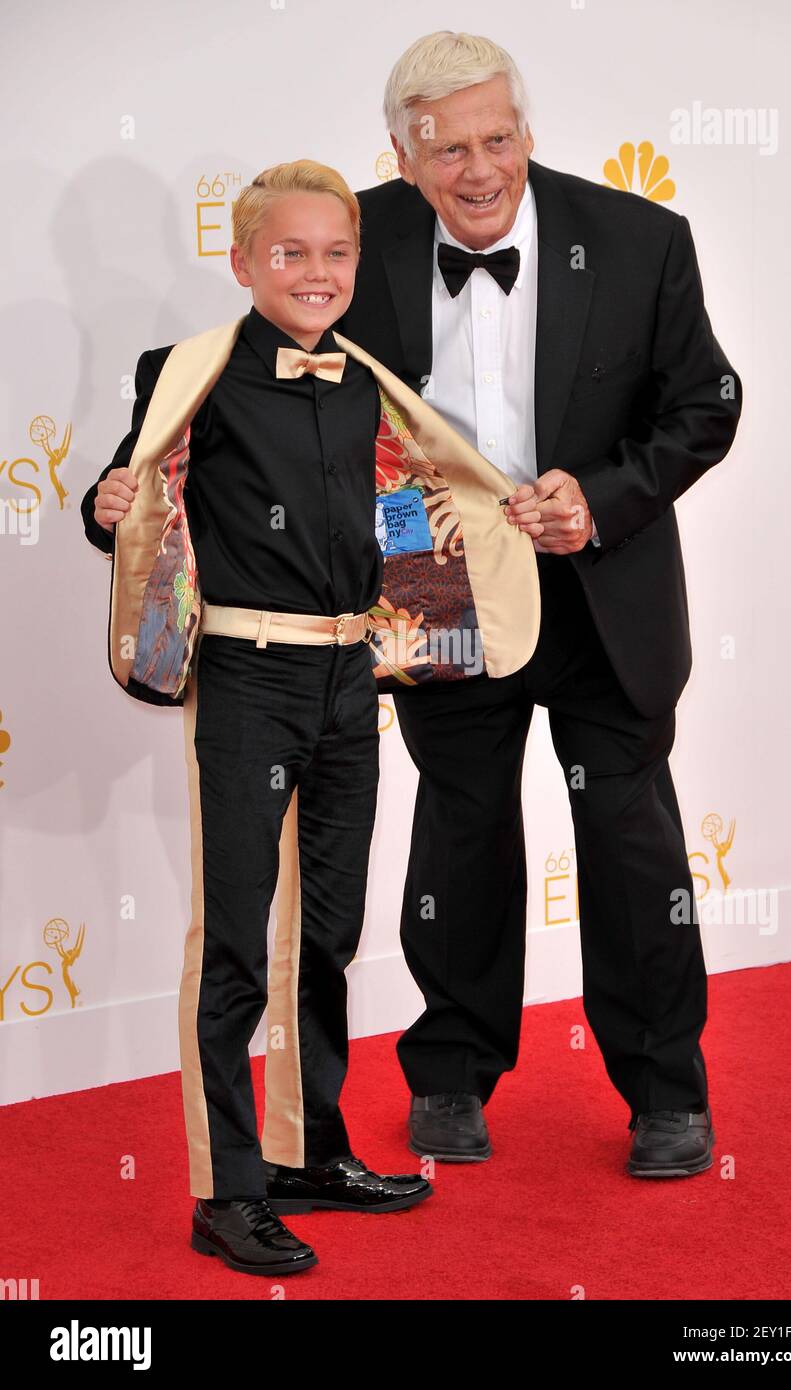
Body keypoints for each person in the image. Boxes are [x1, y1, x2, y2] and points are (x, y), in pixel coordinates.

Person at [337, 31, 743, 1176]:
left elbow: (706, 404)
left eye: (498, 138)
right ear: (403, 156)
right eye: (448, 148)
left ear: (529, 132)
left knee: (630, 842)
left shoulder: (638, 238)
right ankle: (453, 1075)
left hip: (601, 585)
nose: (478, 170)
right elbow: (270, 384)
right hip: (440, 585)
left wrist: (603, 496)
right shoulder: (357, 241)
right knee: (460, 832)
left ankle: (668, 1091)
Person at [80, 161, 436, 1277]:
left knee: (324, 934)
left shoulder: (376, 379)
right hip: (245, 677)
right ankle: (224, 1188)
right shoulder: (188, 375)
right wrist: (105, 505)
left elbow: (410, 509)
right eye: (290, 254)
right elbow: (125, 499)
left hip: (350, 681)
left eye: (336, 253)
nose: (316, 273)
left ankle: (307, 1148)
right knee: (233, 936)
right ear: (242, 263)